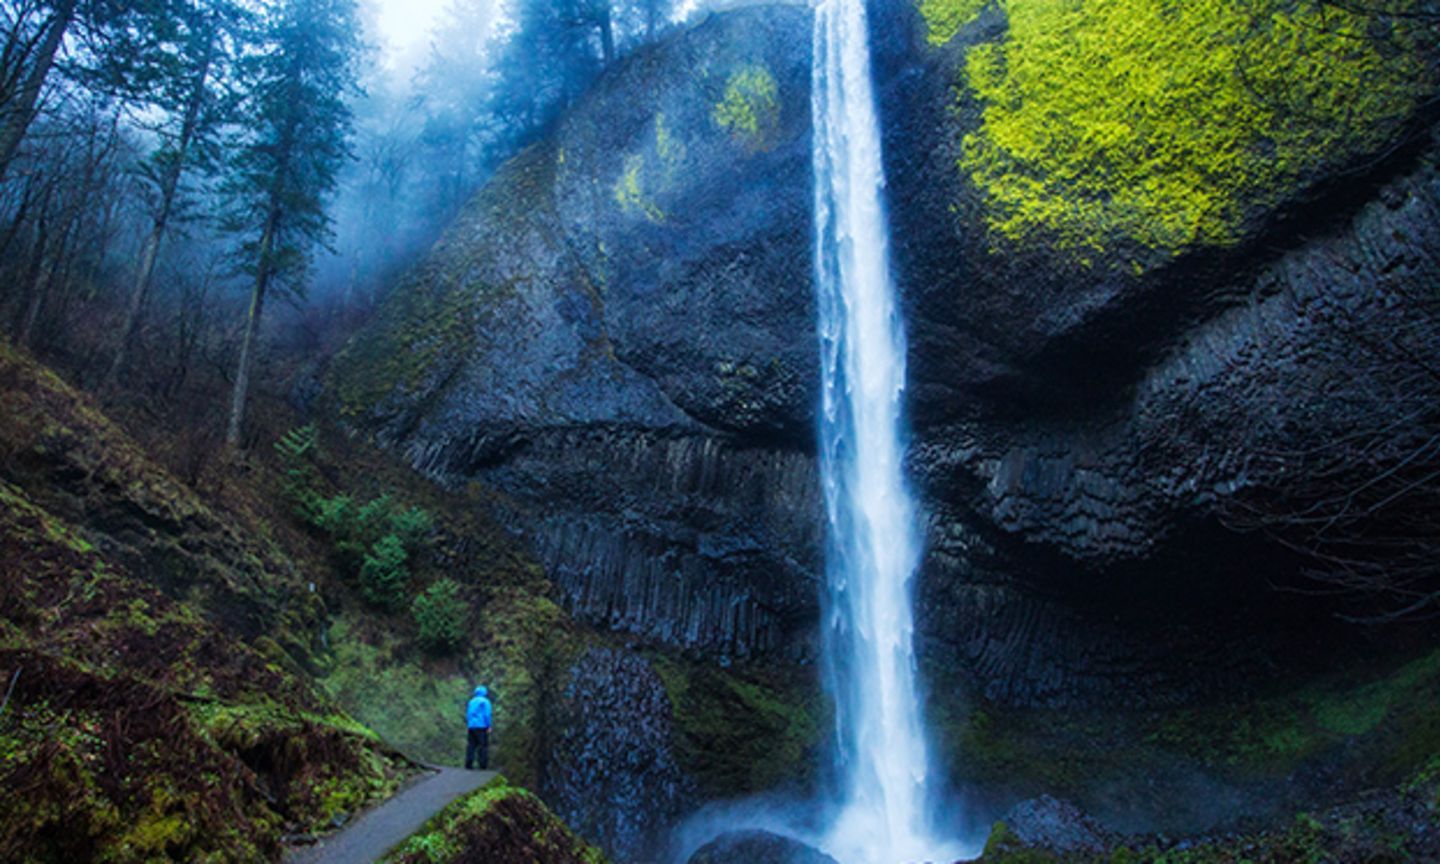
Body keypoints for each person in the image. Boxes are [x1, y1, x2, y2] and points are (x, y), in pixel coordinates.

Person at [465, 685, 492, 770]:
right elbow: (487, 714)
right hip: (481, 726)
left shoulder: (471, 701)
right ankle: (482, 765)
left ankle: (469, 764)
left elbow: (468, 714)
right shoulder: (485, 701)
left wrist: (469, 724)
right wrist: (488, 725)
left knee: (471, 745)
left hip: (471, 726)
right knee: (483, 745)